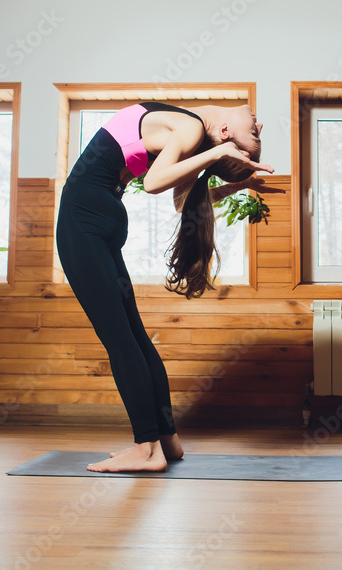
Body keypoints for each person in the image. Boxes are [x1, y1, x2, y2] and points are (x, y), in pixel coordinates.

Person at [55, 101, 280, 472]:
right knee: (134, 337)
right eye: (256, 131)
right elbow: (183, 203)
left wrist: (223, 156)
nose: (260, 122)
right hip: (106, 212)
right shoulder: (189, 132)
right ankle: (166, 440)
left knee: (121, 340)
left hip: (85, 215)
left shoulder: (190, 128)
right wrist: (231, 176)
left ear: (224, 132)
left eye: (253, 133)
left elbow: (155, 184)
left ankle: (146, 448)